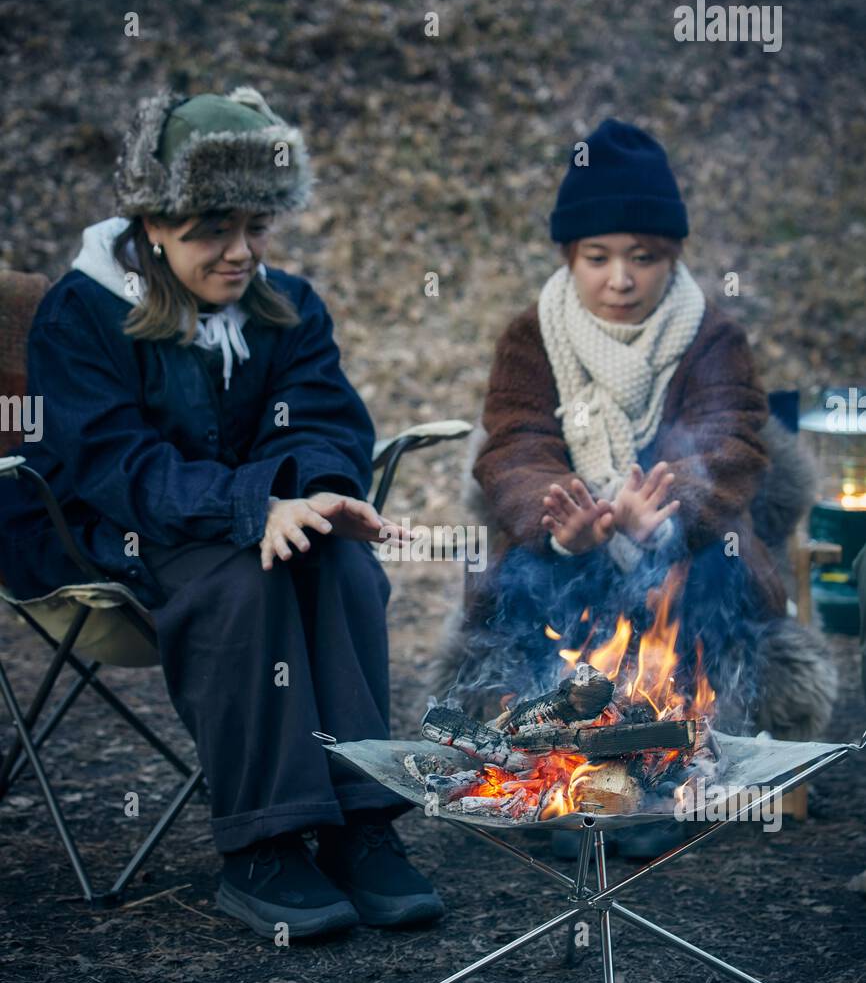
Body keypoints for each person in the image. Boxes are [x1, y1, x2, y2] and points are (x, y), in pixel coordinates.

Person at [1, 85, 444, 937]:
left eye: (256, 227)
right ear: (152, 224)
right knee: (240, 581)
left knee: (341, 561)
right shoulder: (82, 313)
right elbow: (112, 462)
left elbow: (322, 414)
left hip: (253, 514)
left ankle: (361, 823)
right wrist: (251, 504)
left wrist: (313, 492)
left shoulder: (287, 306)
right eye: (211, 230)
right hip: (109, 531)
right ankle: (264, 845)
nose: (240, 253)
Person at [437, 118, 836, 859]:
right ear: (569, 255)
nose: (620, 280)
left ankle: (655, 775)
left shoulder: (712, 336)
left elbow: (735, 440)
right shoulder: (532, 335)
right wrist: (561, 517)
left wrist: (664, 508)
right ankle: (555, 771)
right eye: (598, 258)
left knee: (694, 575)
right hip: (568, 539)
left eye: (643, 258)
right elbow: (514, 443)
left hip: (684, 543)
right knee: (535, 574)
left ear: (672, 255)